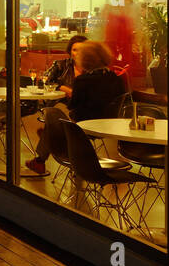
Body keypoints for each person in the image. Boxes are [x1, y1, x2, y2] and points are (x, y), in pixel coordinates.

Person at [25, 41, 128, 175]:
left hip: (82, 126)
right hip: (108, 125)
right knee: (55, 120)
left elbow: (73, 106)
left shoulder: (83, 80)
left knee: (52, 112)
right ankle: (49, 140)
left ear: (85, 60)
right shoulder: (117, 79)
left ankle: (50, 140)